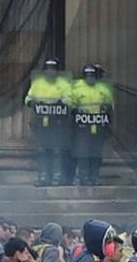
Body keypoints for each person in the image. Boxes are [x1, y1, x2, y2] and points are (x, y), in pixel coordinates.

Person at [25, 58, 73, 186]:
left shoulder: (64, 84)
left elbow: (69, 100)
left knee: (57, 151)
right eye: (48, 69)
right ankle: (43, 177)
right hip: (40, 123)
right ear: (45, 70)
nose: (50, 72)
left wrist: (61, 103)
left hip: (57, 123)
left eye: (53, 69)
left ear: (57, 71)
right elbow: (28, 99)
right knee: (42, 150)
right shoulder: (37, 84)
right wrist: (32, 102)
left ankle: (57, 177)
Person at [68, 64, 114, 186]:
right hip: (82, 127)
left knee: (96, 153)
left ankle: (94, 177)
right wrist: (75, 110)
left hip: (98, 126)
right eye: (88, 76)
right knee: (82, 152)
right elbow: (70, 103)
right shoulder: (77, 89)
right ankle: (84, 177)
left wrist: (107, 108)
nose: (90, 78)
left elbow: (110, 104)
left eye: (92, 76)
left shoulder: (103, 89)